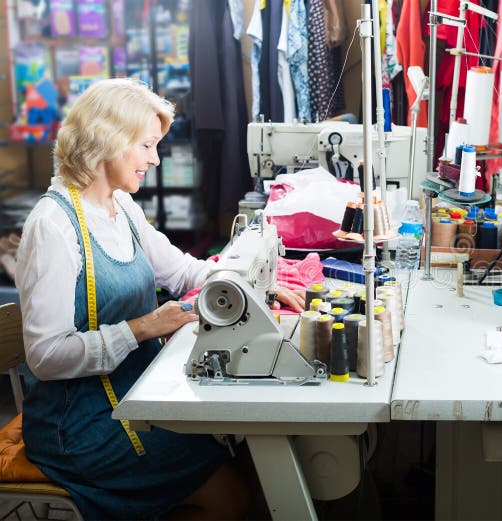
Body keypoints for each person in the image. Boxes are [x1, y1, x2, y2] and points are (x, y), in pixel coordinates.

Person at [13, 77, 300, 519]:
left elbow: (182, 269)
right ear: (107, 141)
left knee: (248, 454)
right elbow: (46, 357)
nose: (156, 159)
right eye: (147, 146)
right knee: (234, 495)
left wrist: (248, 284)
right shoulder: (53, 226)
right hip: (80, 423)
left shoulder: (119, 206)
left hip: (135, 392)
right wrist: (143, 327)